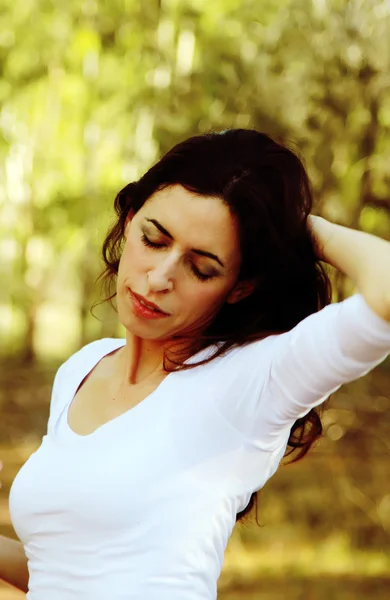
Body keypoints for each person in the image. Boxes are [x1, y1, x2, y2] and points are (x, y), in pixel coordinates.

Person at [1, 129, 390, 600]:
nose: (161, 277)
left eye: (201, 267)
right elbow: (61, 572)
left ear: (240, 286)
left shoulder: (248, 383)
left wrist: (300, 228)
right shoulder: (82, 369)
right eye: (154, 239)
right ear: (128, 220)